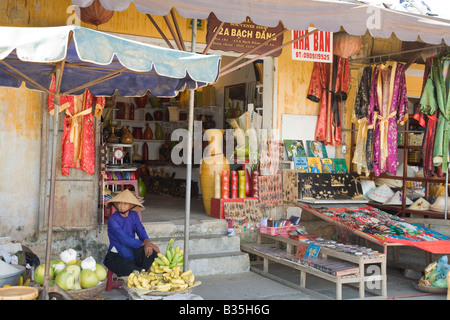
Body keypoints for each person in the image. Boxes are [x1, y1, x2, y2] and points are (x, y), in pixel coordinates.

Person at [103, 189, 160, 277]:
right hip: (117, 252)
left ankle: (145, 276)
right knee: (131, 267)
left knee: (151, 252)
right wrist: (145, 243)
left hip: (132, 248)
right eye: (119, 203)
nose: (121, 206)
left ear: (131, 205)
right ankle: (143, 274)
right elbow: (124, 239)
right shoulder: (113, 219)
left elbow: (141, 230)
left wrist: (147, 242)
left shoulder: (133, 215)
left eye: (125, 203)